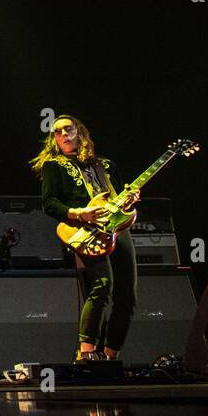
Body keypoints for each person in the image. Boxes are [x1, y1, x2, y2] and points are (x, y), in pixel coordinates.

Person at [32, 114, 138, 363]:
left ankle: (111, 357)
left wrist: (130, 202)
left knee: (128, 296)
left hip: (117, 229)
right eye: (56, 133)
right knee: (102, 286)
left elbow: (120, 201)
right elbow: (49, 204)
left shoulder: (107, 165)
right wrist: (81, 213)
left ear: (79, 132)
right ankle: (86, 355)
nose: (62, 135)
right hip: (83, 230)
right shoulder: (54, 166)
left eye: (67, 129)